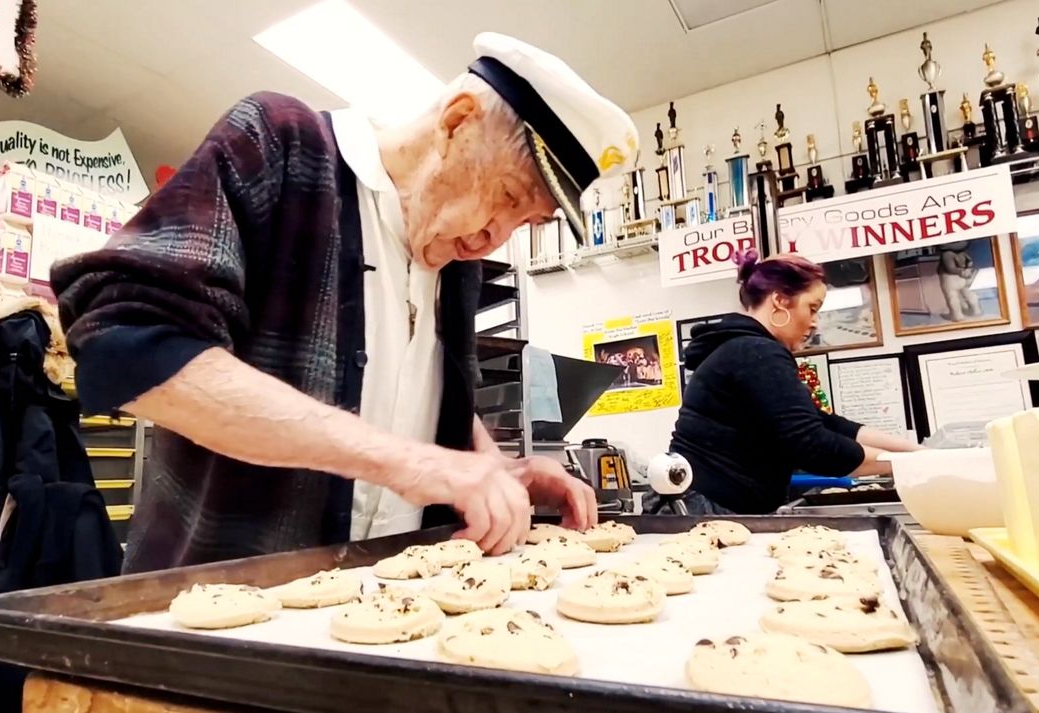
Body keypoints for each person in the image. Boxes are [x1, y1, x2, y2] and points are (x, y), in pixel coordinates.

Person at [50, 33, 636, 572]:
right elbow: (128, 340)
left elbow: (413, 392)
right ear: (457, 122)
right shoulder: (280, 143)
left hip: (391, 611)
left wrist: (501, 471)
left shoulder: (458, 263)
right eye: (506, 195)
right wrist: (413, 463)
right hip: (223, 601)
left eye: (525, 221)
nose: (494, 237)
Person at [667, 252, 919, 515]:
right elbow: (812, 444)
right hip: (706, 509)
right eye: (812, 308)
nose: (814, 323)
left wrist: (913, 451)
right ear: (779, 300)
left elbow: (823, 423)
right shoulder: (755, 351)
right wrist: (904, 464)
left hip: (697, 503)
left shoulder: (742, 348)